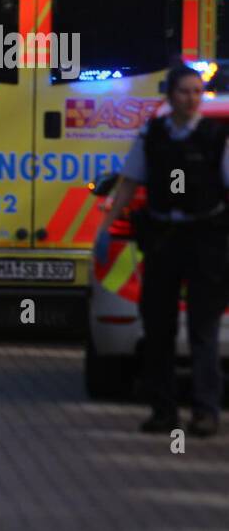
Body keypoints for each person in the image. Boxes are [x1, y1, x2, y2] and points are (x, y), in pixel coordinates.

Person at [97, 65, 229, 437]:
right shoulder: (152, 134)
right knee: (159, 329)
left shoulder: (216, 137)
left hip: (205, 239)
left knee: (203, 329)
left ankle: (205, 412)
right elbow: (129, 183)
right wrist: (107, 227)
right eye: (185, 91)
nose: (192, 98)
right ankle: (163, 411)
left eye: (197, 91)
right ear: (170, 96)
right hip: (163, 239)